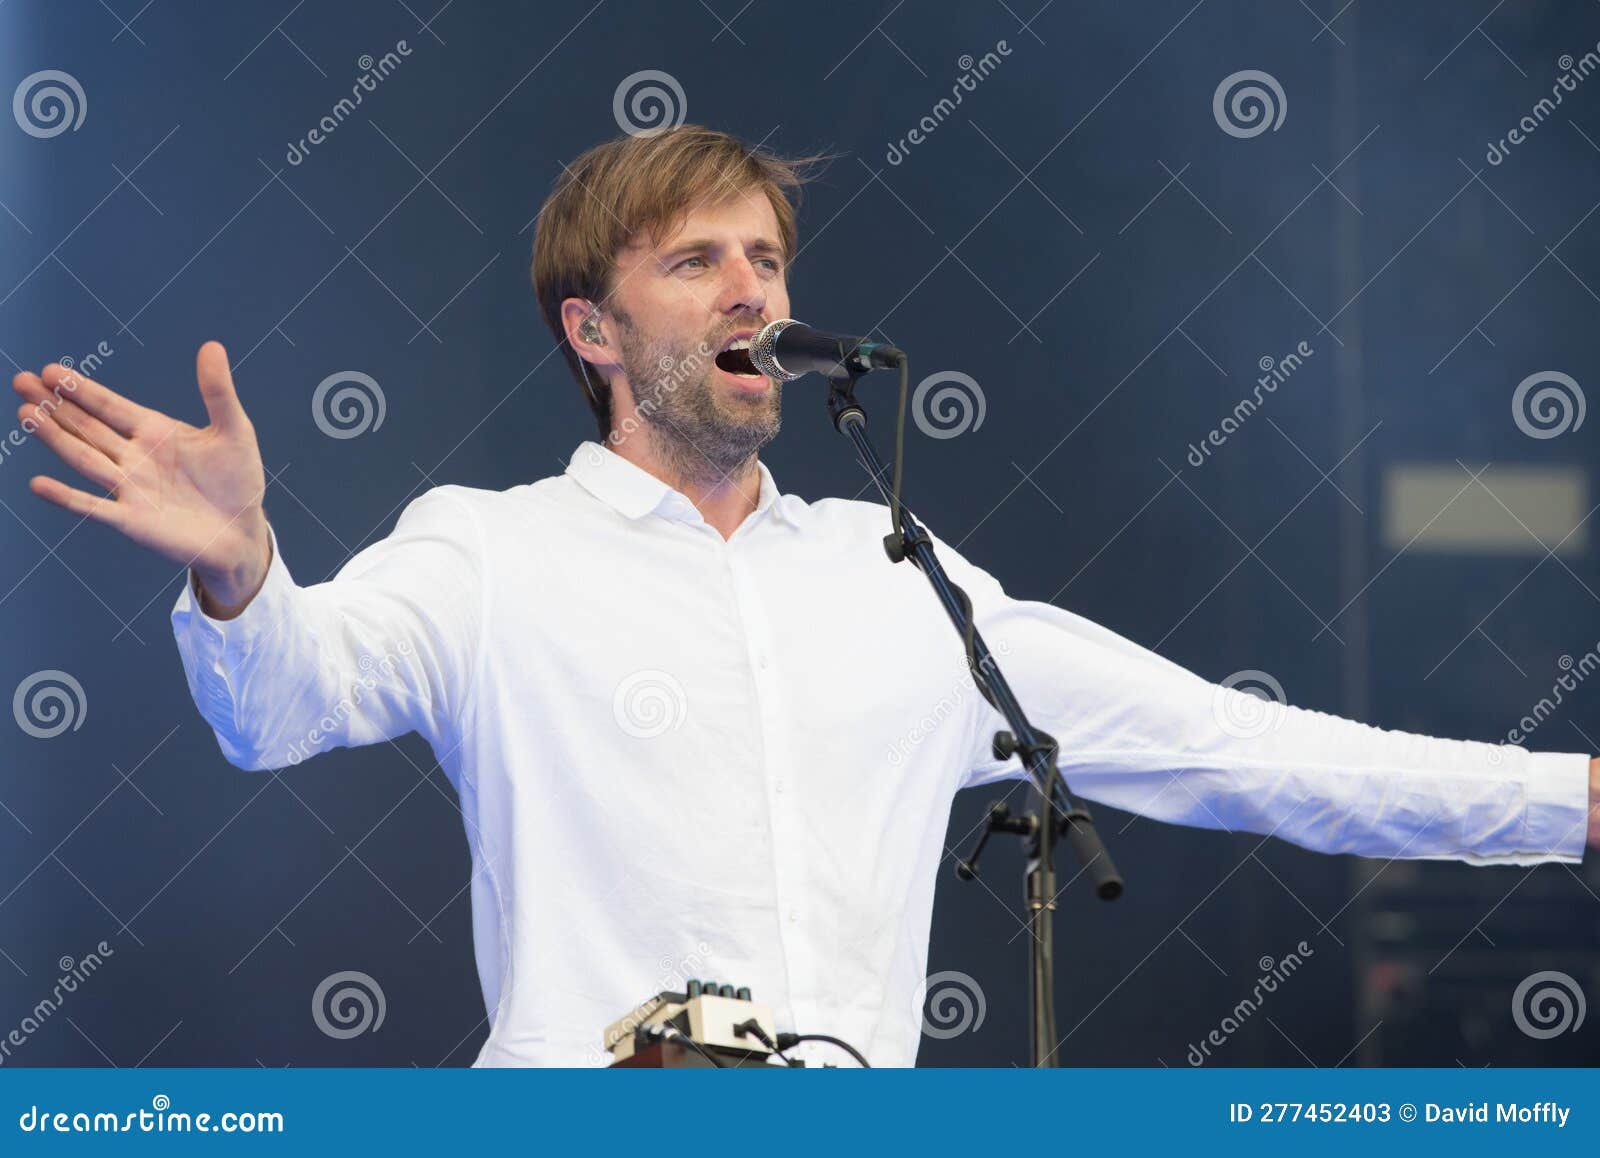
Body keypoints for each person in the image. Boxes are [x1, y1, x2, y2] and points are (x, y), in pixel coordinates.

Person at [12, 125, 1599, 1067]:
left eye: (765, 257)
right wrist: (240, 566)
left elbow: (1243, 750)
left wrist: (1573, 797)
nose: (754, 290)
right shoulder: (491, 550)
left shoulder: (902, 582)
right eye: (697, 260)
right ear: (592, 330)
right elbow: (290, 699)